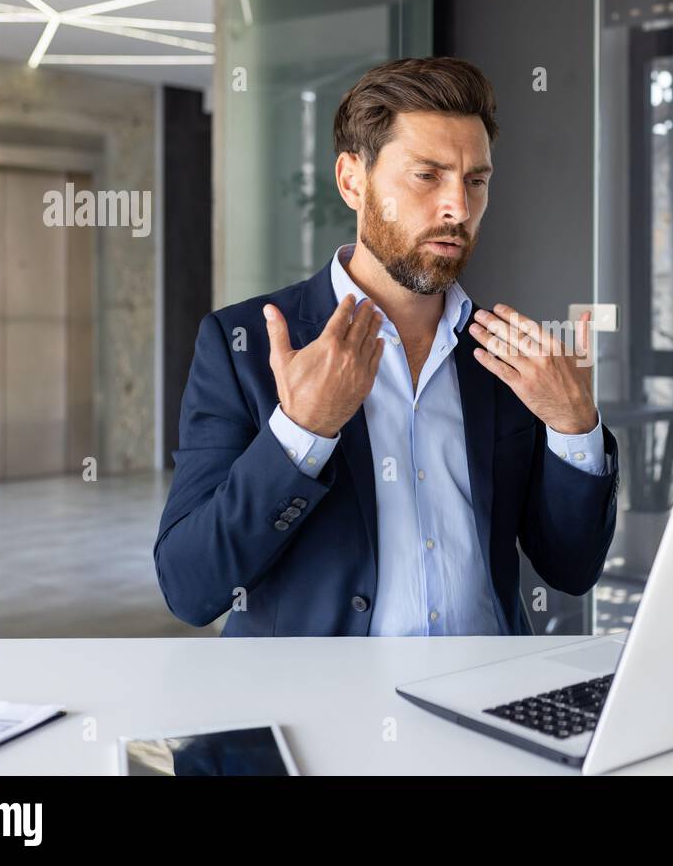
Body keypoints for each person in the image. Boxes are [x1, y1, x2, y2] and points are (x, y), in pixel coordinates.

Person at [154, 57, 619, 637]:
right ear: (353, 180)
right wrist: (302, 431)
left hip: (483, 705)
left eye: (476, 180)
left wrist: (575, 428)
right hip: (318, 714)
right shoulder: (243, 344)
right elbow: (189, 586)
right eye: (428, 175)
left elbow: (571, 570)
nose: (459, 208)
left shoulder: (508, 357)